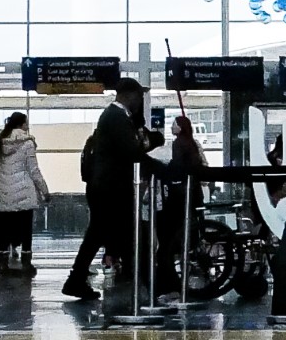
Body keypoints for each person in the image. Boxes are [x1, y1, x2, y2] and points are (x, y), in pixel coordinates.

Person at [64, 78, 152, 300]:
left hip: (106, 187)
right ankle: (150, 285)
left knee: (101, 234)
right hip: (111, 188)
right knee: (128, 234)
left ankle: (76, 279)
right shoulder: (115, 117)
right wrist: (160, 168)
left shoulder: (117, 117)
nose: (141, 100)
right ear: (130, 95)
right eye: (139, 96)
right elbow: (131, 152)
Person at [0, 112, 52, 276]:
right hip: (23, 191)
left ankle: (2, 265)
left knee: (3, 230)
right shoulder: (27, 143)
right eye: (26, 123)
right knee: (25, 230)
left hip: (3, 191)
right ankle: (26, 265)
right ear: (22, 124)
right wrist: (44, 190)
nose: (27, 126)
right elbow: (33, 170)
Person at [156, 114, 208, 297]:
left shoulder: (179, 144)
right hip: (194, 193)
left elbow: (177, 166)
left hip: (180, 196)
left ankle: (167, 279)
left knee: (170, 234)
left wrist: (164, 171)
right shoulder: (193, 143)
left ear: (180, 128)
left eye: (174, 124)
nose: (171, 127)